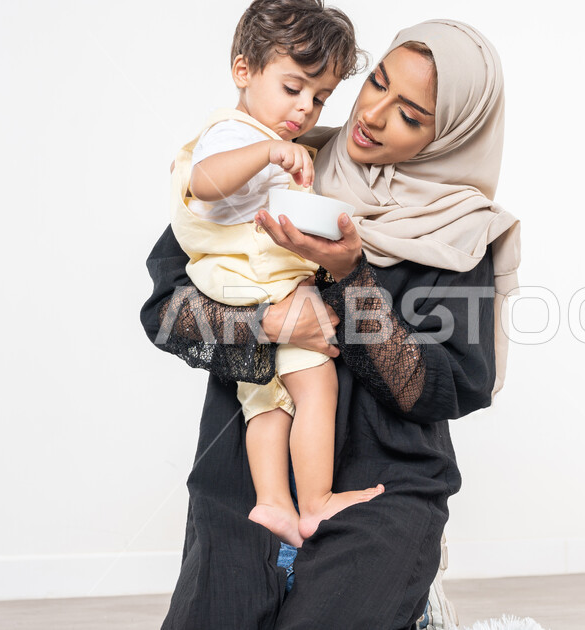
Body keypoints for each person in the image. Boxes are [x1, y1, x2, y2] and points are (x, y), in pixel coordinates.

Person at [142, 19, 521, 629]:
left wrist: (352, 280)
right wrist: (269, 322)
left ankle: (413, 600)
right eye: (376, 83)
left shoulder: (459, 233)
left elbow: (446, 387)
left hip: (382, 490)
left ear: (449, 134)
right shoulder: (273, 162)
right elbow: (165, 312)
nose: (372, 114)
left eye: (412, 116)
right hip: (248, 480)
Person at [169, 0, 383, 548]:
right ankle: (316, 501)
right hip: (256, 281)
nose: (305, 109)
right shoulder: (235, 134)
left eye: (320, 97)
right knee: (316, 385)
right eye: (293, 88)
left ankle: (273, 503)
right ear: (244, 70)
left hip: (244, 286)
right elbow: (205, 183)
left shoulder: (269, 141)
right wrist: (267, 151)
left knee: (265, 396)